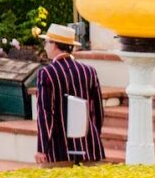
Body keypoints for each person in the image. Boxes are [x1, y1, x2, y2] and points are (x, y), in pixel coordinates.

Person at [33, 24, 104, 164]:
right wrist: (94, 137)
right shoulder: (89, 71)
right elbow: (97, 110)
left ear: (54, 45)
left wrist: (42, 148)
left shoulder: (47, 73)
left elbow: (46, 113)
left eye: (46, 42)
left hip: (58, 149)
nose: (45, 46)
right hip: (88, 147)